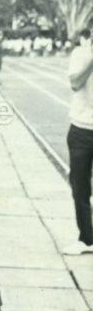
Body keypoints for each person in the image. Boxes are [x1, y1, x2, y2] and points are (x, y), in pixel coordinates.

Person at [64, 29, 93, 255]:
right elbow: (75, 83)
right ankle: (86, 238)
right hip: (82, 129)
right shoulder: (80, 54)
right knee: (80, 187)